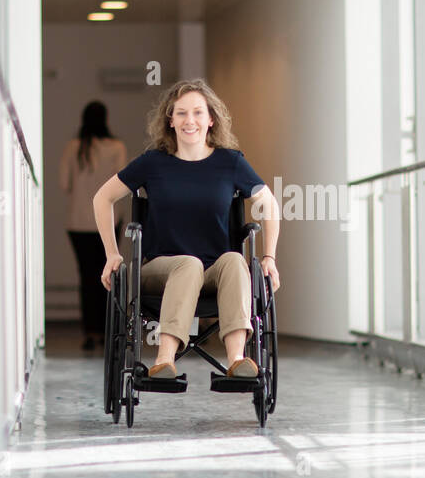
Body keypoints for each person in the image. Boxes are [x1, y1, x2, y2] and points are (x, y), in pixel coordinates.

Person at [92, 79, 281, 379]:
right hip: (160, 270)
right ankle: (164, 361)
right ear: (170, 120)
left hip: (213, 273)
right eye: (181, 113)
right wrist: (111, 253)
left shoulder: (230, 163)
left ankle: (237, 360)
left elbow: (269, 205)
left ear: (211, 119)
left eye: (197, 113)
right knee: (189, 264)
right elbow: (102, 198)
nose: (189, 120)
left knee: (234, 260)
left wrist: (269, 257)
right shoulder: (153, 162)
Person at [59, 101, 127, 351]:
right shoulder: (116, 147)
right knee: (108, 273)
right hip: (109, 219)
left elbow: (64, 184)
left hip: (77, 221)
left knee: (86, 276)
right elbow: (123, 184)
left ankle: (90, 331)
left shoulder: (72, 147)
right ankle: (109, 331)